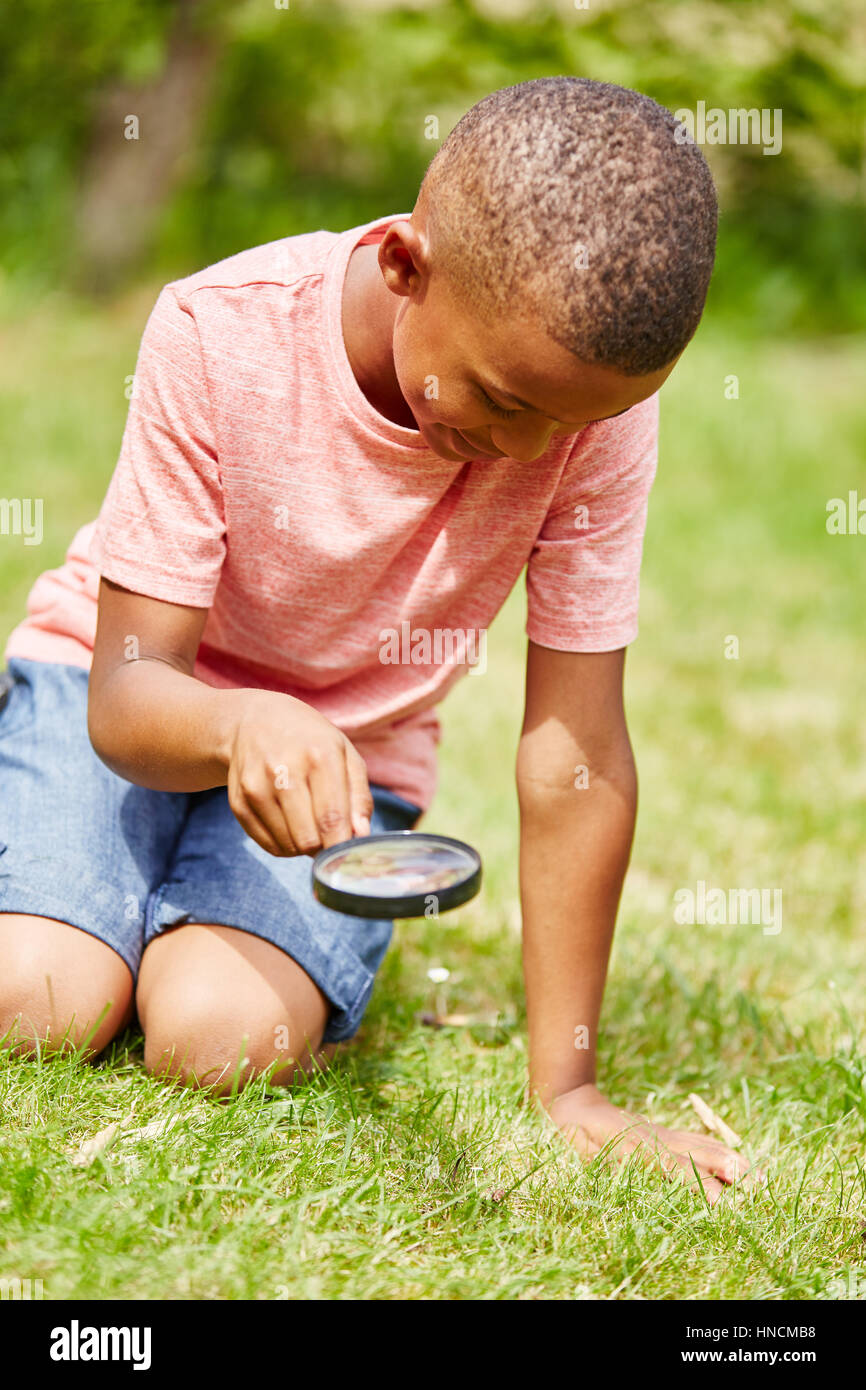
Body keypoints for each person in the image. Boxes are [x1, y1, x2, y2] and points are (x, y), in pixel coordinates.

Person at [0, 77, 750, 1201]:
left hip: (347, 762)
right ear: (405, 264)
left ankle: (163, 934)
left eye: (568, 423)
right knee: (37, 1000)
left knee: (213, 1037)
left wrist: (569, 1092)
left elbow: (574, 750)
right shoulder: (219, 327)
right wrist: (242, 718)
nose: (526, 448)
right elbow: (127, 692)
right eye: (499, 402)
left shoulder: (586, 423)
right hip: (129, 702)